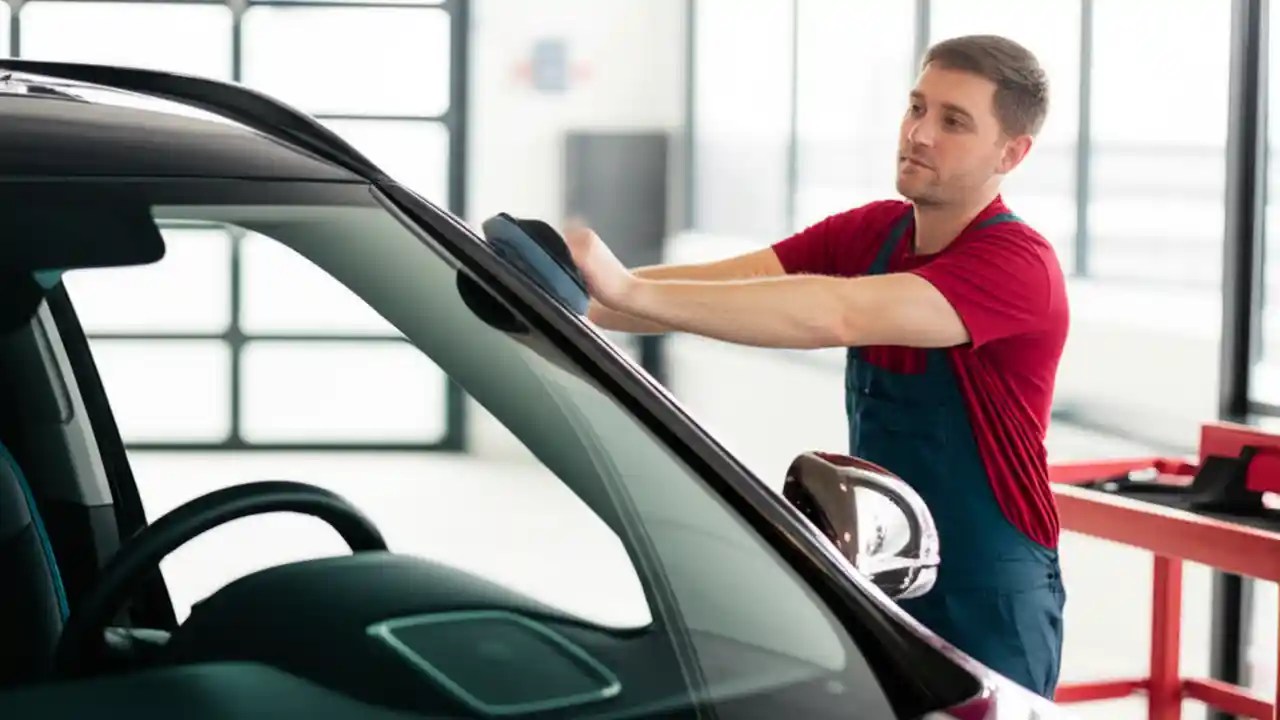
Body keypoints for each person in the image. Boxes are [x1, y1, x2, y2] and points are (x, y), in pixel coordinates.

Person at [563, 33, 1070, 699]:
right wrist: (565, 292)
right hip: (881, 575)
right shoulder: (873, 233)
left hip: (990, 594)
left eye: (953, 121)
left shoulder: (1017, 265)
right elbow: (715, 289)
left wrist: (624, 291)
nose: (918, 133)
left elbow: (838, 313)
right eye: (916, 107)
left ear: (1012, 152)